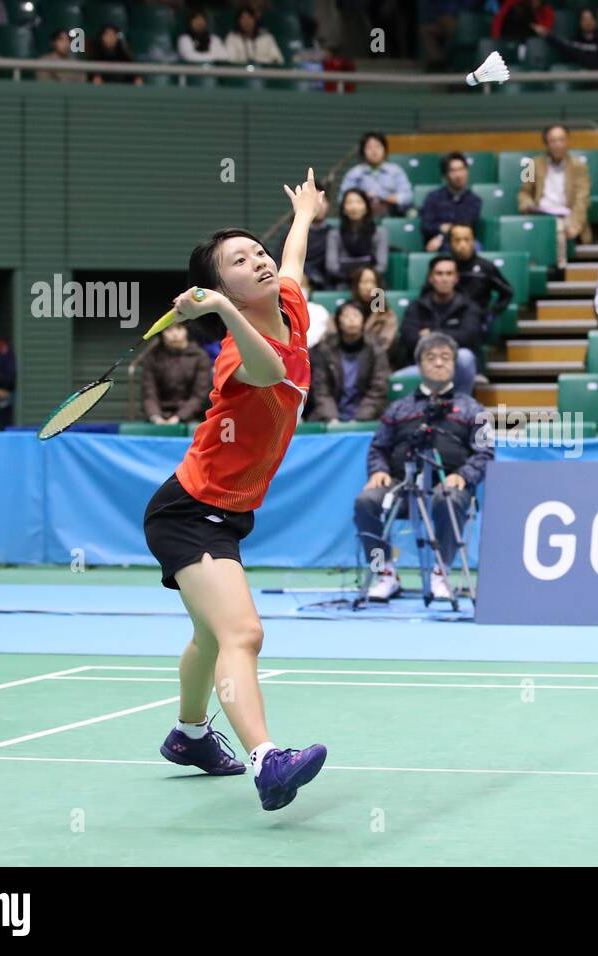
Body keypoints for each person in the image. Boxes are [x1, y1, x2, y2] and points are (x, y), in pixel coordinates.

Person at [142, 168, 326, 811]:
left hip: (227, 512)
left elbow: (294, 264)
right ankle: (267, 760)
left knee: (211, 636)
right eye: (239, 263)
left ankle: (191, 736)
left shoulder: (292, 308)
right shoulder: (231, 355)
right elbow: (269, 368)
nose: (260, 261)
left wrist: (303, 215)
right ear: (220, 289)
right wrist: (221, 311)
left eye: (258, 251)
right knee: (243, 633)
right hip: (190, 512)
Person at [355, 331, 493, 602]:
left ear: (454, 364)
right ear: (419, 365)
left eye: (445, 358)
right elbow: (378, 448)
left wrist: (463, 475)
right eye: (431, 358)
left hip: (447, 485)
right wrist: (378, 470)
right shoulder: (398, 409)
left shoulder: (473, 408)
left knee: (449, 499)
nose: (439, 363)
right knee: (366, 502)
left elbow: (485, 452)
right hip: (402, 486)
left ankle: (440, 574)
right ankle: (385, 574)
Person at [396, 256, 481, 394]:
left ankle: (460, 407)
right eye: (439, 273)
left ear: (456, 278)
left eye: (449, 273)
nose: (444, 278)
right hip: (422, 365)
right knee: (396, 380)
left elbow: (469, 336)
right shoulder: (416, 306)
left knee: (465, 357)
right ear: (431, 278)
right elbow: (409, 338)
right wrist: (449, 335)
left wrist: (431, 334)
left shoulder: (468, 307)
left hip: (454, 366)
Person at [518, 124, 592, 269]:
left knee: (557, 227)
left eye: (561, 140)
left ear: (567, 141)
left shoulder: (579, 166)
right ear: (546, 144)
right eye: (553, 141)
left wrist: (576, 225)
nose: (558, 145)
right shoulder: (531, 164)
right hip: (540, 213)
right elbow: (524, 191)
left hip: (566, 214)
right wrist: (526, 204)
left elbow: (582, 199)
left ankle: (559, 269)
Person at [308, 301, 390, 423]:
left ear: (363, 320)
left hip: (367, 415)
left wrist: (360, 419)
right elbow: (321, 389)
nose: (351, 320)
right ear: (338, 322)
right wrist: (331, 418)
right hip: (330, 415)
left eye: (356, 315)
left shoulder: (375, 348)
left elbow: (378, 389)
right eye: (346, 316)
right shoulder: (325, 349)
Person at [140, 322, 212, 427]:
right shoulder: (152, 357)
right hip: (158, 417)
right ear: (162, 334)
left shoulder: (200, 357)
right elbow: (149, 393)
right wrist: (155, 417)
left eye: (179, 328)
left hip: (192, 418)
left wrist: (179, 417)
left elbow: (199, 395)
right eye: (168, 330)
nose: (174, 334)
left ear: (186, 331)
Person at [450, 224, 515, 331]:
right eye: (457, 240)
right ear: (451, 242)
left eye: (467, 239)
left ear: (474, 241)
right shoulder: (444, 268)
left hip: (475, 321)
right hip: (448, 319)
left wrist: (492, 313)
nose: (462, 244)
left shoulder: (486, 267)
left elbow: (507, 292)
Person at [338, 131, 413, 218]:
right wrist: (362, 199)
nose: (374, 151)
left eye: (378, 146)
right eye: (369, 147)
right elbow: (342, 199)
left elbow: (408, 196)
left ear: (385, 149)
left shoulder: (396, 171)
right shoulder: (354, 173)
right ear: (363, 151)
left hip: (392, 215)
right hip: (363, 218)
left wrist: (388, 198)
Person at [419, 152, 482, 252]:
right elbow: (427, 224)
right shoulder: (433, 198)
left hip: (462, 240)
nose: (458, 175)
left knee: (474, 247)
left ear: (467, 171)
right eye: (453, 171)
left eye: (461, 169)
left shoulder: (474, 200)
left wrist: (441, 235)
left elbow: (465, 225)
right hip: (439, 244)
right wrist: (440, 229)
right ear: (445, 175)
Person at [327, 188, 389, 286]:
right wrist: (353, 277)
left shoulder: (380, 232)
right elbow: (331, 266)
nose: (354, 207)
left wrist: (365, 277)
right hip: (343, 281)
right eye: (349, 202)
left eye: (359, 202)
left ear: (366, 207)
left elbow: (381, 266)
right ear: (343, 209)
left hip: (371, 282)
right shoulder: (334, 234)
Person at [345, 265, 399, 351]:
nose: (368, 287)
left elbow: (385, 345)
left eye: (373, 282)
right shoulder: (345, 311)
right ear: (356, 285)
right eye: (364, 282)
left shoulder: (387, 315)